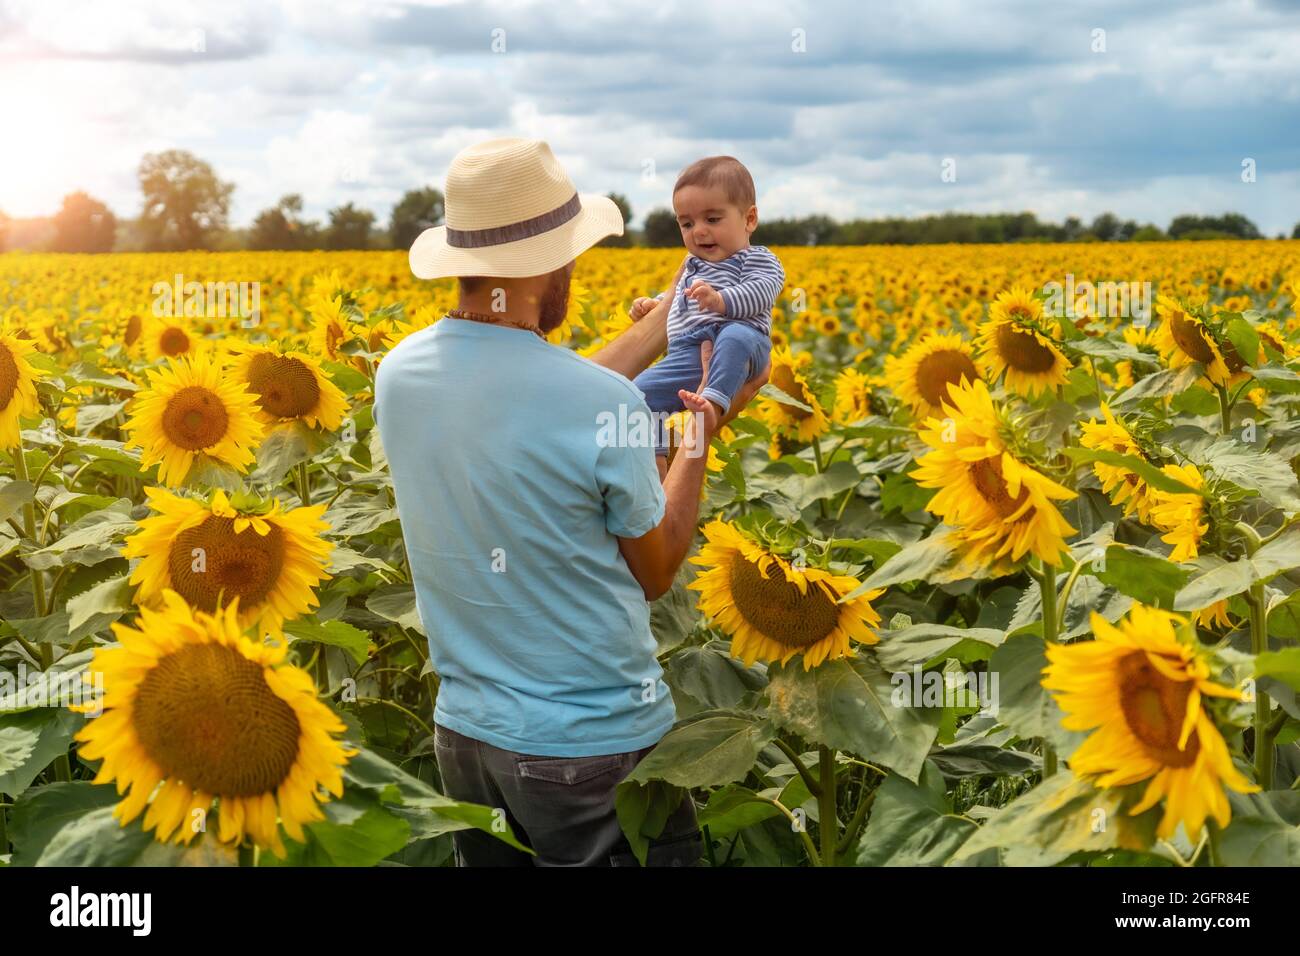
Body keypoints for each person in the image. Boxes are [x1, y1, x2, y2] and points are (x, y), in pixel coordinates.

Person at [372, 138, 770, 866]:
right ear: (549, 263)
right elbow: (656, 569)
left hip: (465, 742)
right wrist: (697, 436)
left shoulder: (400, 373)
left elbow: (537, 393)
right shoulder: (595, 403)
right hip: (593, 752)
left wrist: (667, 321)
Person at [629, 156, 785, 480]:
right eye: (686, 224)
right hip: (687, 352)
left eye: (712, 219)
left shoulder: (758, 259)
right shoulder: (691, 266)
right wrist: (653, 305)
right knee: (636, 394)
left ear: (750, 218)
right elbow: (679, 298)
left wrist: (720, 300)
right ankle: (656, 470)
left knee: (735, 337)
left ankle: (712, 406)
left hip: (739, 343)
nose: (699, 231)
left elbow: (763, 290)